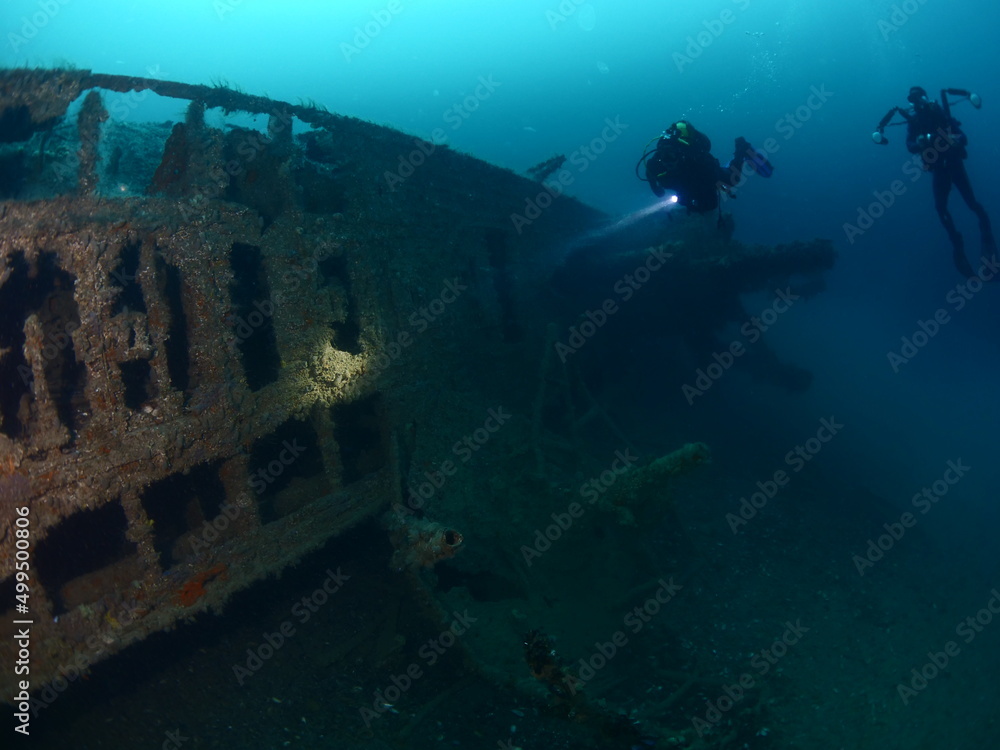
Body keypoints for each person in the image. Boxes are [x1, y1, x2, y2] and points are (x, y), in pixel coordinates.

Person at [873, 86, 995, 278]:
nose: (917, 102)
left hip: (954, 164)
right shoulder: (914, 122)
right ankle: (958, 245)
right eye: (913, 100)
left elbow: (963, 138)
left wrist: (952, 139)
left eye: (919, 97)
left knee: (971, 203)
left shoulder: (940, 114)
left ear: (925, 97)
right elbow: (910, 146)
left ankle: (987, 239)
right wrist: (921, 142)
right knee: (941, 208)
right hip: (939, 169)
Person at [636, 120, 773, 219]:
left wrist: (693, 199)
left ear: (680, 155)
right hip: (688, 181)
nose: (668, 161)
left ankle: (742, 149)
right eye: (664, 156)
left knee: (733, 179)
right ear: (659, 155)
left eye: (671, 156)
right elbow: (659, 192)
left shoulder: (697, 162)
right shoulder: (654, 166)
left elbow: (711, 202)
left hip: (706, 173)